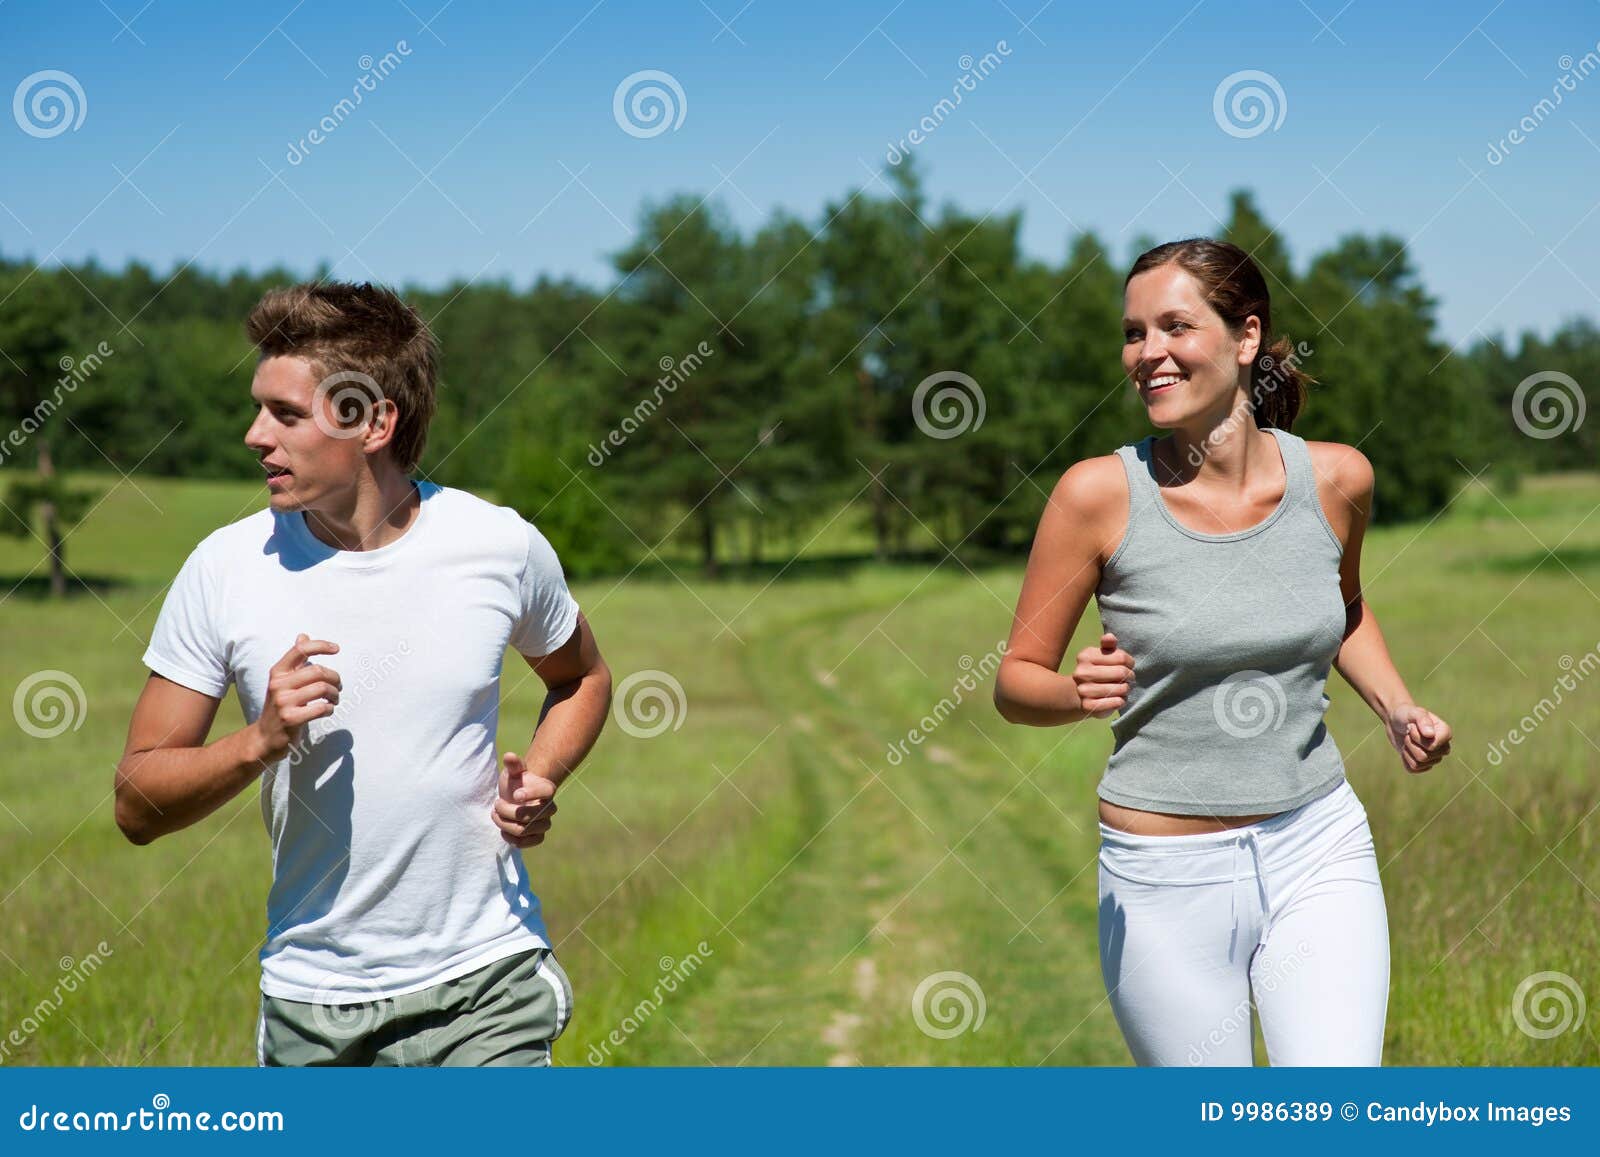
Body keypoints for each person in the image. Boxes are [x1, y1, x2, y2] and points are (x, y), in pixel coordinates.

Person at [114, 281, 612, 1066]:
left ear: (374, 422)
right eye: (257, 407)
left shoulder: (498, 546)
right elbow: (136, 804)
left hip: (486, 980)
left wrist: (540, 776)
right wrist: (258, 741)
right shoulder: (223, 568)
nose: (253, 435)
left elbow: (580, 675)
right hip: (314, 1006)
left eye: (285, 413)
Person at [994, 238, 1453, 1067]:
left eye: (1175, 326)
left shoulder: (1338, 480)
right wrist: (1074, 693)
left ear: (1246, 338)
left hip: (1318, 846)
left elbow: (1344, 608)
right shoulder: (1096, 495)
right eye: (1134, 333)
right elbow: (1015, 681)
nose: (1149, 354)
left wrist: (1397, 705)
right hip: (1162, 879)